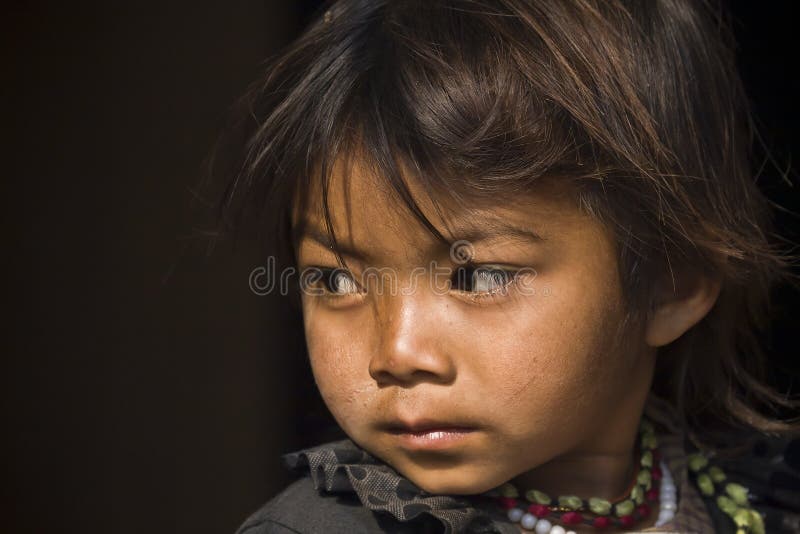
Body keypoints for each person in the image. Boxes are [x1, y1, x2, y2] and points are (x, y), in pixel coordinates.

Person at [215, 1, 800, 532]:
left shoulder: (759, 507)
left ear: (670, 286)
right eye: (335, 280)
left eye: (477, 277)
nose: (396, 353)